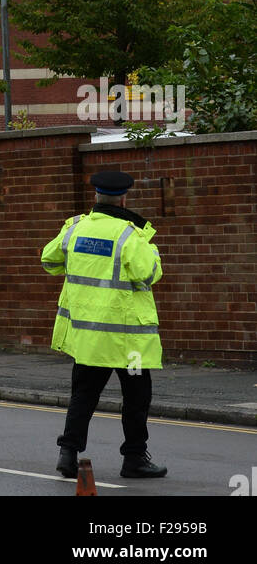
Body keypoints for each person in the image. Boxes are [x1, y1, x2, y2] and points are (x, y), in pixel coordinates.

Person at [40, 169, 167, 479]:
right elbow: (147, 274)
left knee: (83, 396)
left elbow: (49, 261)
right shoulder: (129, 234)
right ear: (123, 198)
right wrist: (152, 250)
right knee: (136, 399)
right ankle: (134, 458)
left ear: (95, 197)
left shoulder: (75, 229)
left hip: (89, 338)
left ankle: (68, 454)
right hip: (128, 343)